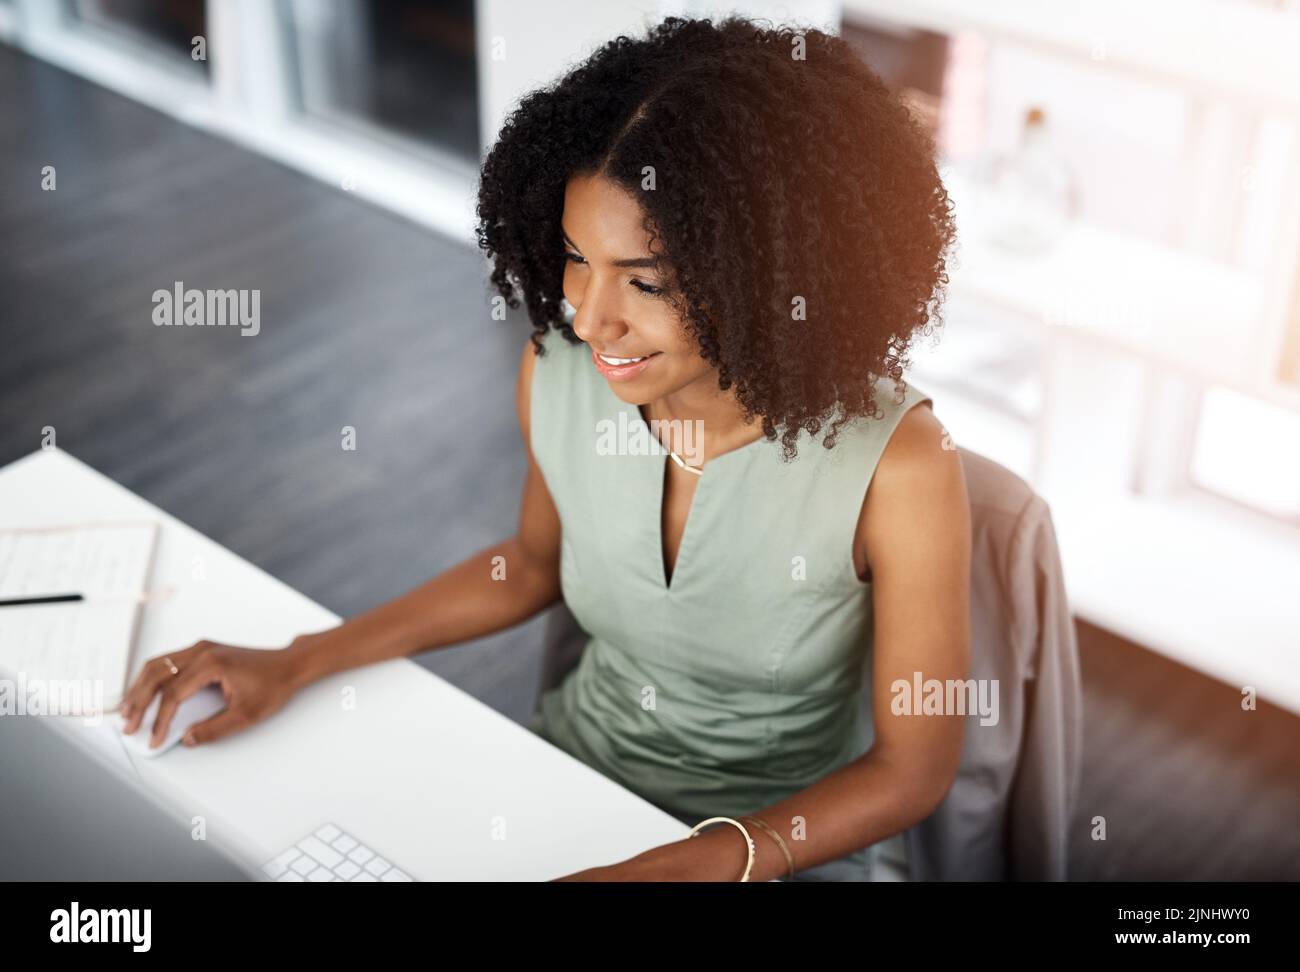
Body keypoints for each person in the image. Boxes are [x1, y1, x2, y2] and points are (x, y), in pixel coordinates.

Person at [119, 15, 971, 882]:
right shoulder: (559, 374)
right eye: (574, 259)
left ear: (769, 272)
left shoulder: (899, 467)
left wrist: (707, 861)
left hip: (783, 840)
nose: (591, 318)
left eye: (646, 281)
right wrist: (299, 659)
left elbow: (913, 768)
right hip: (573, 774)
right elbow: (529, 566)